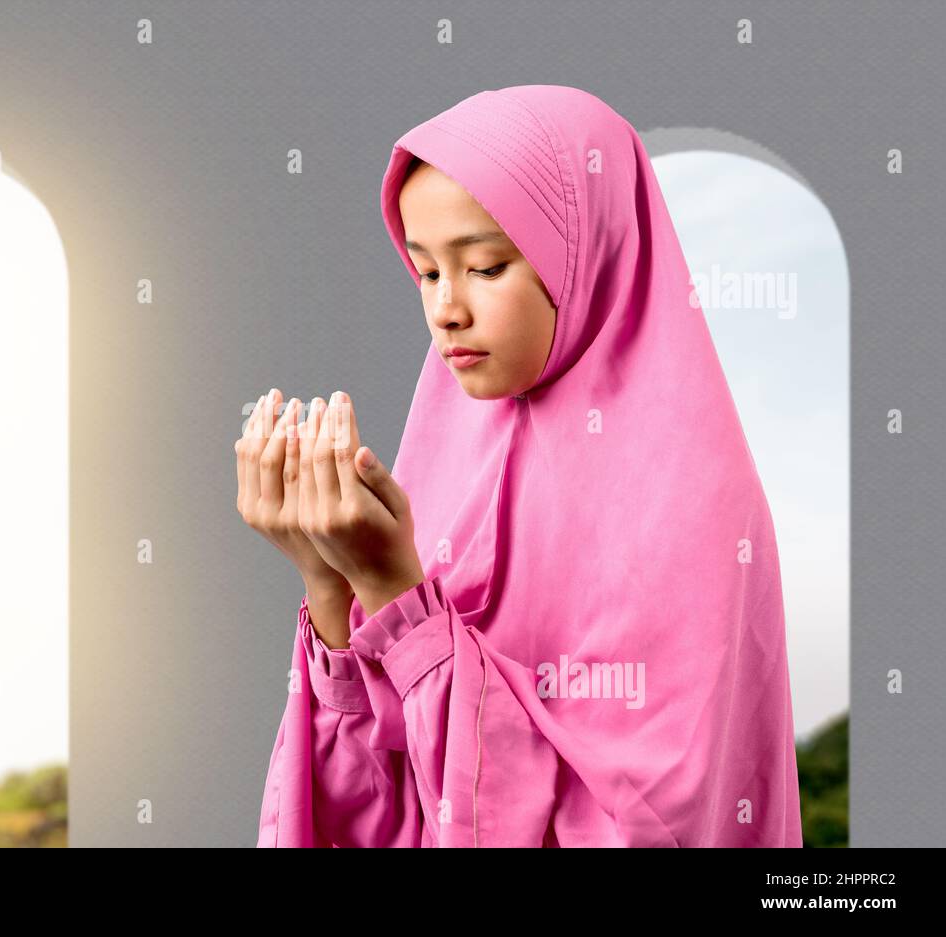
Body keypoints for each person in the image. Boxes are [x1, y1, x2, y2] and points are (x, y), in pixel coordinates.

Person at [236, 84, 803, 847]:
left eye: (486, 266)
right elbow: (382, 803)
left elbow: (629, 828)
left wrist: (396, 598)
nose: (447, 310)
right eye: (428, 272)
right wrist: (333, 588)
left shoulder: (695, 503)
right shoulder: (445, 452)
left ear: (589, 251)